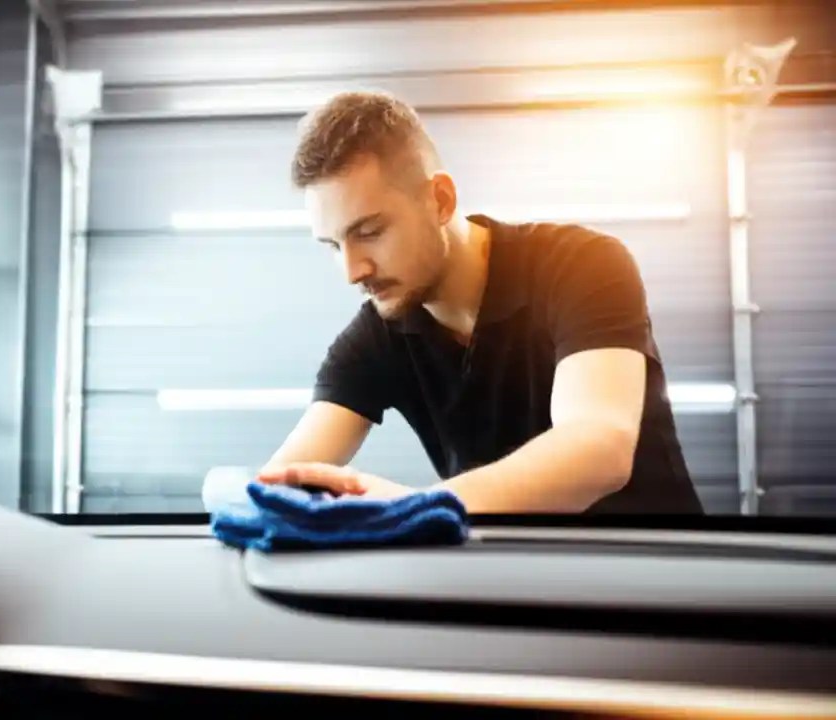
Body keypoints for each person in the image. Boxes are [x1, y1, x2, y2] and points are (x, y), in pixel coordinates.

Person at [257, 91, 704, 515]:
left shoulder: (581, 265)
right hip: (499, 567)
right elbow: (285, 483)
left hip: (655, 560)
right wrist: (275, 500)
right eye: (334, 245)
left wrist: (411, 510)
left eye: (370, 232)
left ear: (440, 200)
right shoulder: (376, 334)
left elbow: (600, 451)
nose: (353, 271)